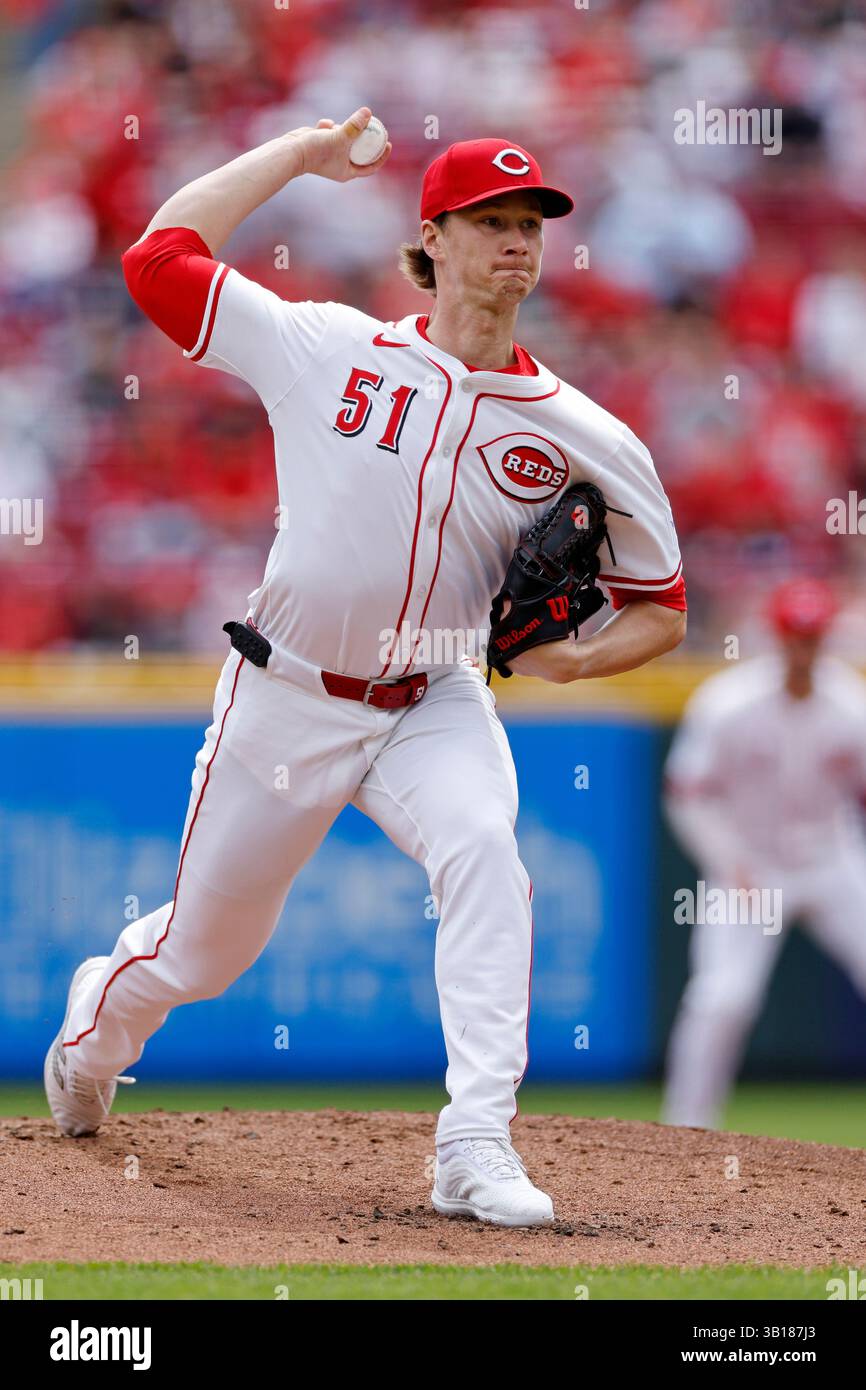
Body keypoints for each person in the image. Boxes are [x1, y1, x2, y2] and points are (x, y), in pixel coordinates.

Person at [45, 110, 686, 1227]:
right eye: (490, 220)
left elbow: (663, 609)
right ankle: (99, 1021)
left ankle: (473, 1143)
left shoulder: (587, 435)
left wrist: (575, 664)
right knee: (205, 954)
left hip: (434, 696)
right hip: (286, 691)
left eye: (530, 221)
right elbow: (158, 259)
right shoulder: (328, 347)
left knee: (487, 851)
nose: (516, 242)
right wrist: (294, 156)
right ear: (430, 238)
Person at [662, 578, 866, 1130]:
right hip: (750, 863)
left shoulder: (851, 705)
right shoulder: (730, 702)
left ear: (826, 638)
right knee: (723, 998)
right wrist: (730, 863)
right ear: (776, 635)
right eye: (795, 634)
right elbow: (686, 796)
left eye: (813, 635)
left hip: (831, 858)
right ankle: (686, 1132)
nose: (804, 646)